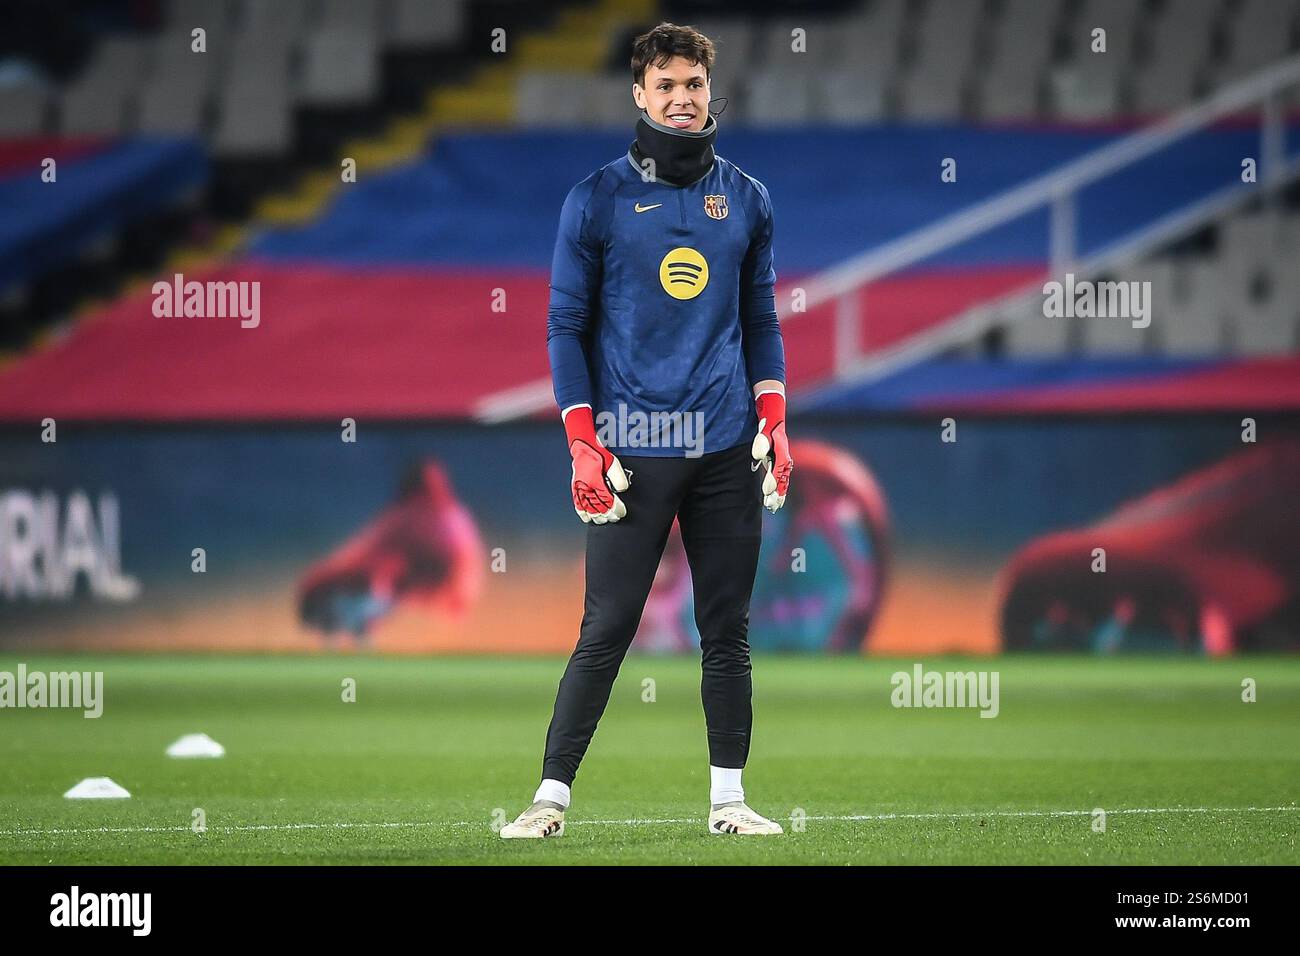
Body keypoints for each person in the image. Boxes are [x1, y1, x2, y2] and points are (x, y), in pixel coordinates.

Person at [501, 22, 792, 838]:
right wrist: (582, 441)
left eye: (693, 84)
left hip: (728, 446)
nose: (681, 97)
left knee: (725, 631)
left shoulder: (747, 198)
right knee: (607, 628)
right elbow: (564, 326)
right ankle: (549, 800)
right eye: (665, 85)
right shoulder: (594, 199)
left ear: (710, 90)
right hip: (632, 449)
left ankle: (729, 803)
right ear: (639, 95)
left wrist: (773, 412)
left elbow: (761, 318)